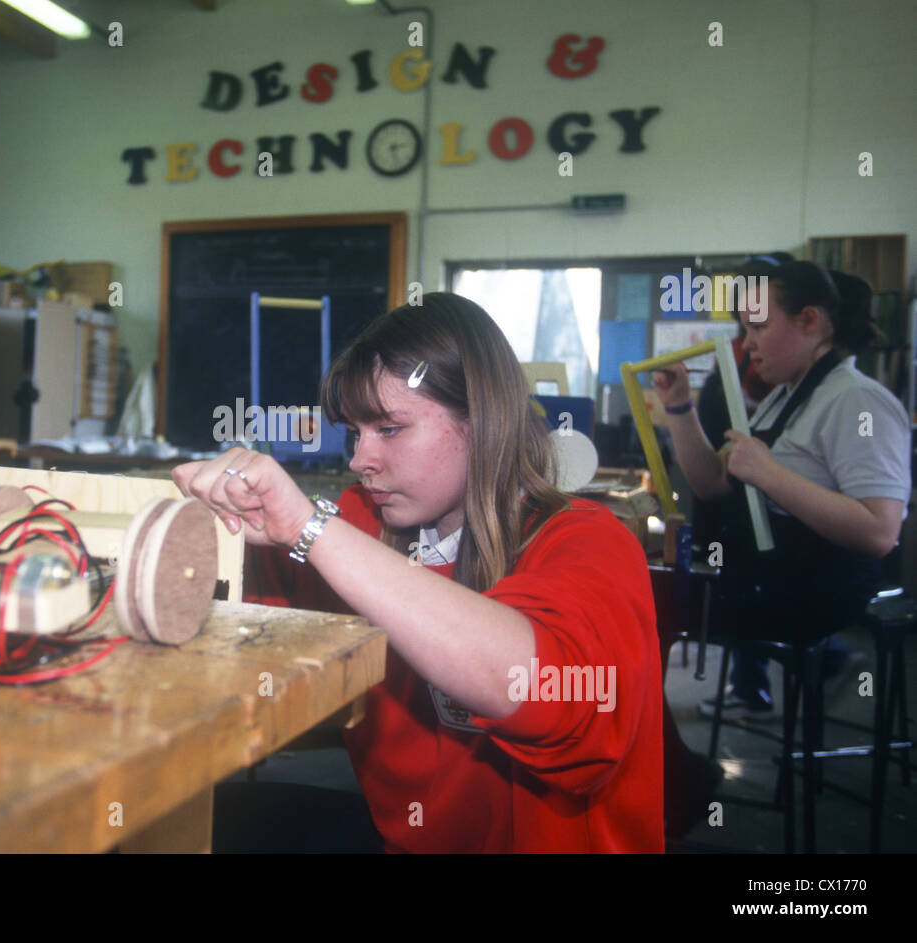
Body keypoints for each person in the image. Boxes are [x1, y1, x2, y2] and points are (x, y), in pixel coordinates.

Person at [172, 292, 663, 853]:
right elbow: (233, 624)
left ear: (482, 422)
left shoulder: (588, 542)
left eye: (389, 429)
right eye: (356, 432)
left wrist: (311, 530)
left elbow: (535, 691)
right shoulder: (361, 522)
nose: (360, 459)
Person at [654, 261, 909, 719]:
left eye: (759, 327)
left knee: (641, 603)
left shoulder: (855, 399)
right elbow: (713, 484)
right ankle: (658, 759)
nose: (747, 343)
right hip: (770, 576)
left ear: (809, 322)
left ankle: (662, 764)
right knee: (640, 593)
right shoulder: (786, 395)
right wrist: (679, 406)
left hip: (816, 589)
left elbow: (879, 531)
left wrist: (769, 474)